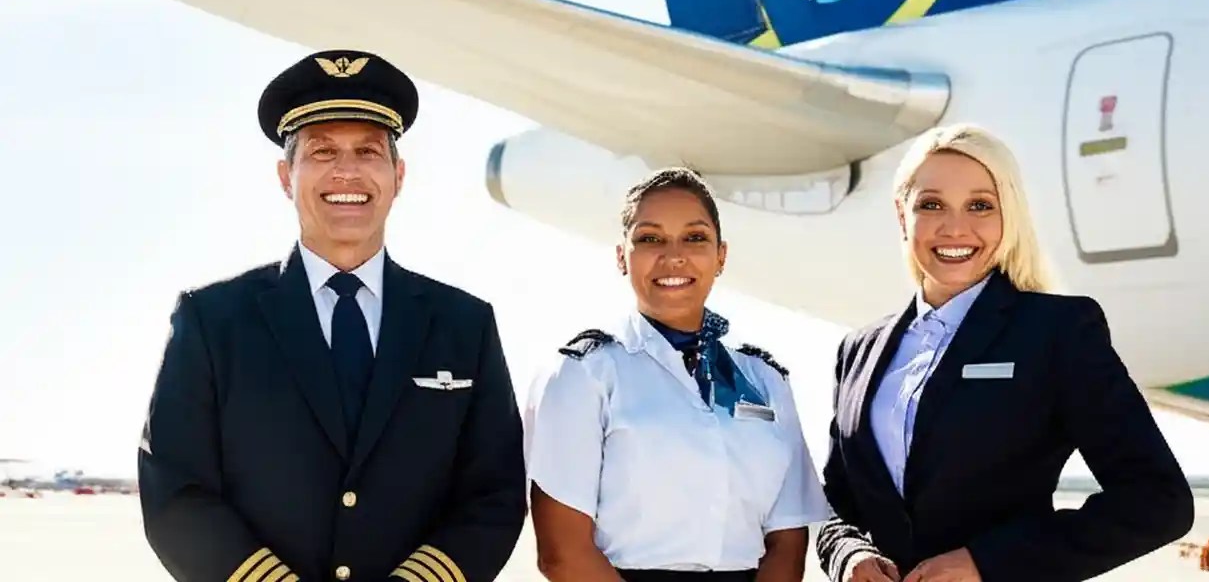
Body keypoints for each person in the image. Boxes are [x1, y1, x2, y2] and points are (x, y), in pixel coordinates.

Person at [137, 50, 527, 582]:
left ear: (398, 174)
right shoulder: (212, 322)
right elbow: (177, 490)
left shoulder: (464, 325)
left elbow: (493, 494)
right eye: (321, 152)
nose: (347, 170)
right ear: (285, 175)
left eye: (368, 151)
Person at [815, 123, 1194, 582]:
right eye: (931, 205)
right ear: (902, 216)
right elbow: (836, 502)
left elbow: (1158, 500)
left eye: (980, 206)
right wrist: (849, 556)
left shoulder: (1057, 331)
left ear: (1007, 216)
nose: (956, 227)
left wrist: (987, 563)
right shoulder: (858, 351)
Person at [524, 167, 831, 582]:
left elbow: (788, 542)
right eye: (650, 239)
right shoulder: (584, 374)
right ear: (621, 257)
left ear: (721, 256)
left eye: (695, 237)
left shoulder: (766, 381)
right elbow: (562, 552)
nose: (674, 256)